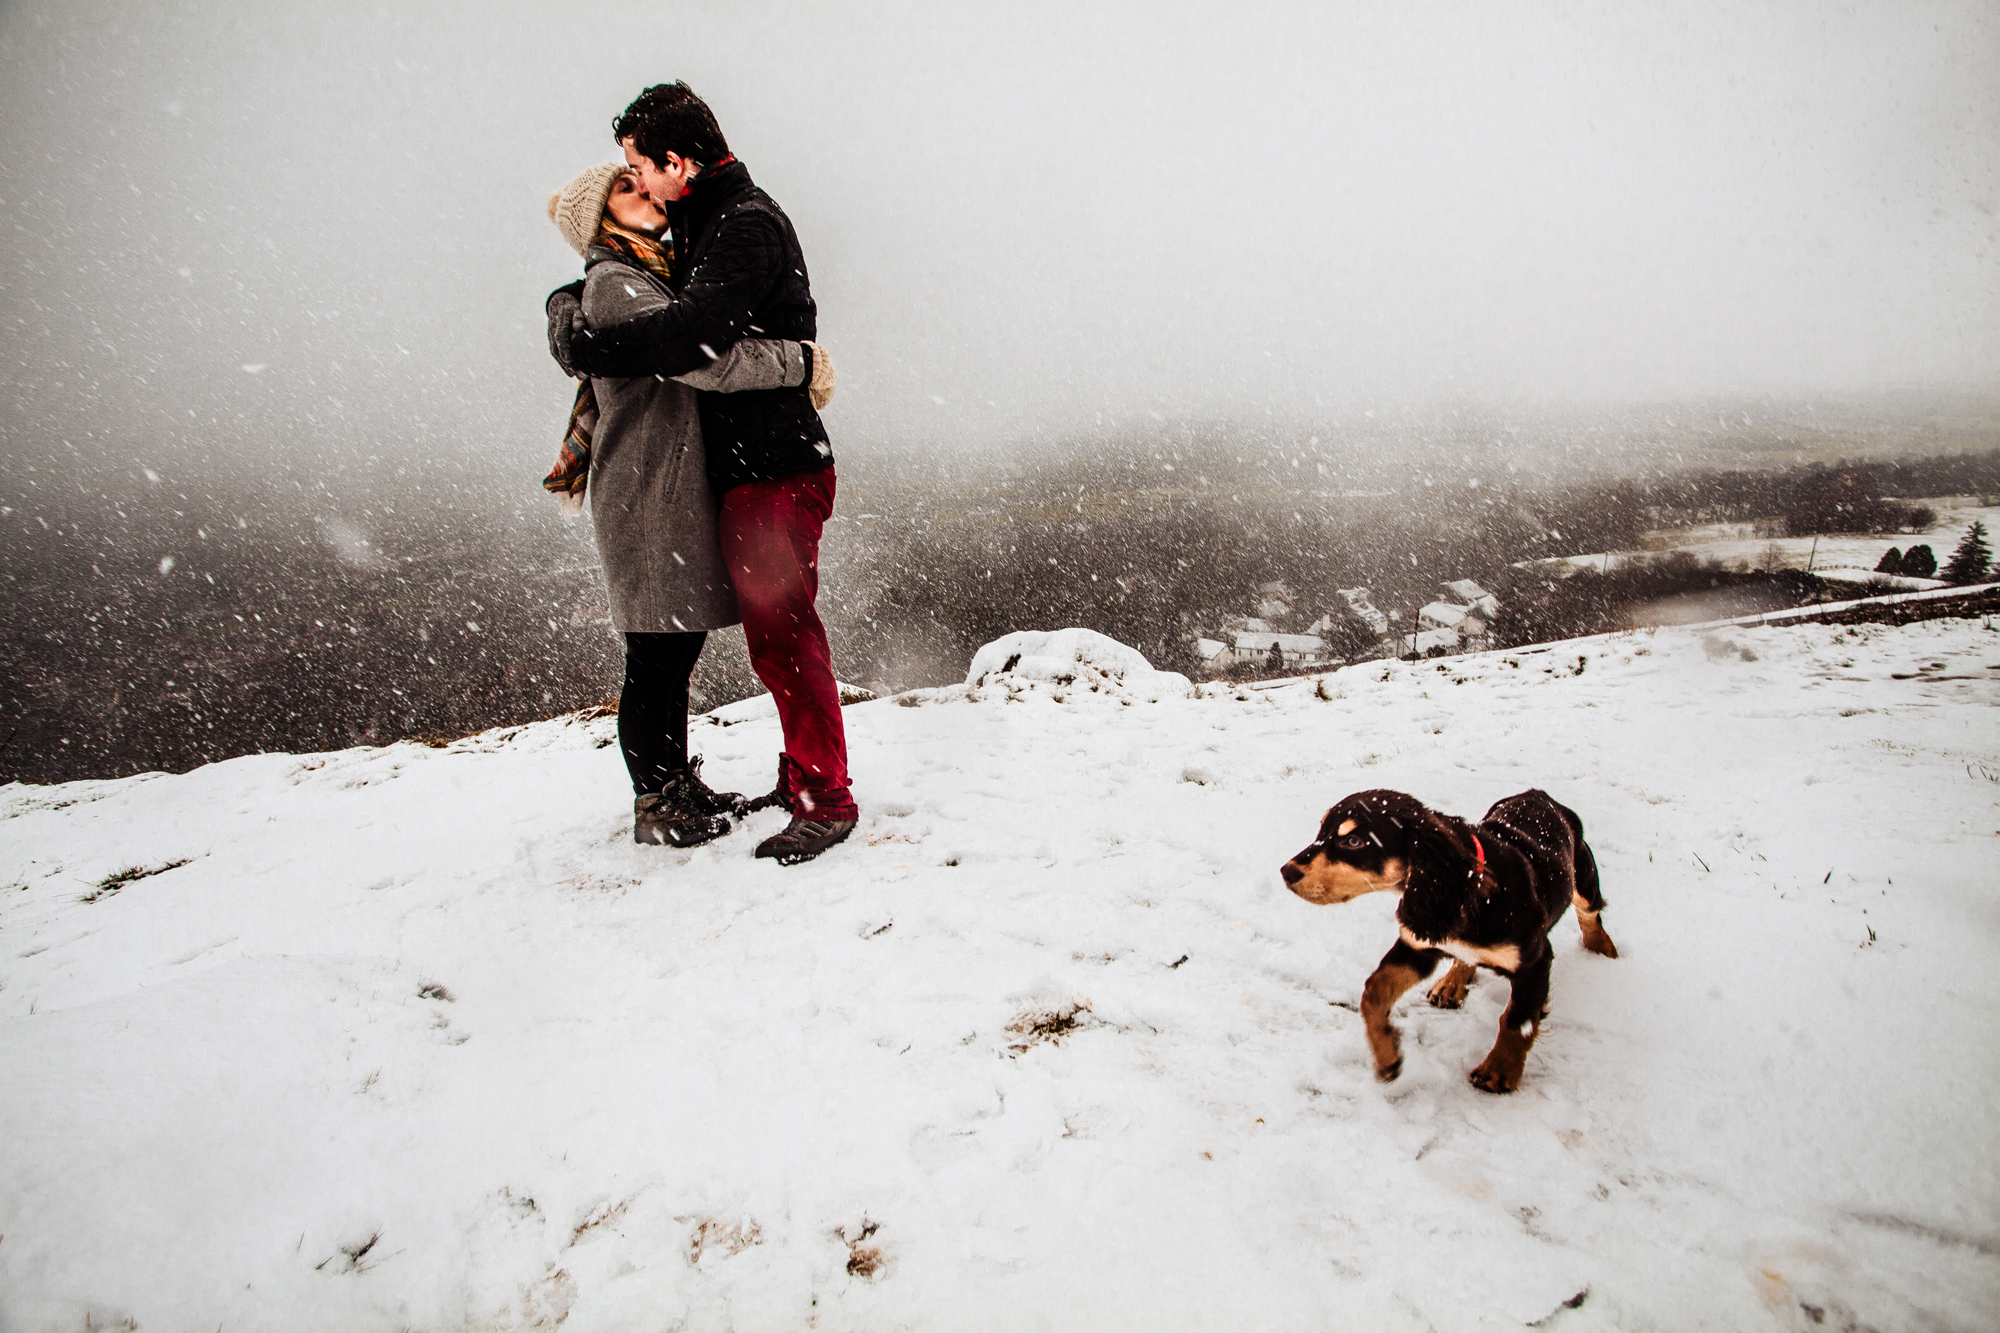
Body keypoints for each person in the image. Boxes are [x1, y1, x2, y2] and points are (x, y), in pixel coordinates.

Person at [547, 82, 857, 866]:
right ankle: (769, 783)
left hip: (773, 467)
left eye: (639, 168)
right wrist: (567, 305)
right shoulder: (694, 225)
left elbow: (695, 345)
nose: (641, 184)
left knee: (780, 639)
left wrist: (585, 343)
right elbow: (620, 280)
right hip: (724, 474)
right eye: (628, 180)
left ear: (678, 162)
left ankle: (824, 797)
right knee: (720, 647)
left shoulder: (742, 223)